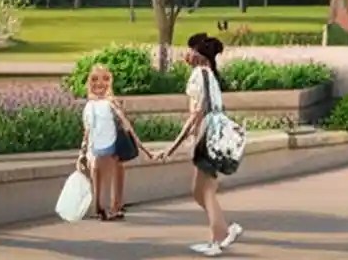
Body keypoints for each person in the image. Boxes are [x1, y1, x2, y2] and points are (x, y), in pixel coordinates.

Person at [161, 34, 243, 257]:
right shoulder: (210, 75)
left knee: (205, 191)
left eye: (190, 50)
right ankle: (225, 230)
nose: (186, 54)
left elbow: (196, 114)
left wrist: (173, 146)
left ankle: (219, 236)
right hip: (215, 138)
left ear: (199, 55)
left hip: (206, 138)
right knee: (202, 191)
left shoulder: (199, 75)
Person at [79, 64, 154, 221]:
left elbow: (125, 125)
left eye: (105, 79)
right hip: (99, 146)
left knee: (106, 168)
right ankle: (106, 205)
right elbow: (88, 130)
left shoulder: (105, 103)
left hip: (106, 147)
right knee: (103, 168)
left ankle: (110, 205)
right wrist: (83, 151)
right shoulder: (95, 105)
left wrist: (143, 148)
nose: (100, 84)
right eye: (95, 79)